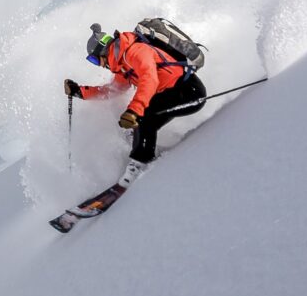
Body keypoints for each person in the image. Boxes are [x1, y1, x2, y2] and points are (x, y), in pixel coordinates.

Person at [59, 22, 206, 220]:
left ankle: (138, 166)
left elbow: (149, 79)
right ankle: (144, 157)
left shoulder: (135, 51)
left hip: (189, 92)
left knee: (144, 118)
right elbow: (112, 92)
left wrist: (134, 111)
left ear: (103, 51)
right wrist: (80, 91)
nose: (100, 65)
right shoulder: (123, 67)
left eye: (95, 60)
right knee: (133, 129)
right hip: (172, 93)